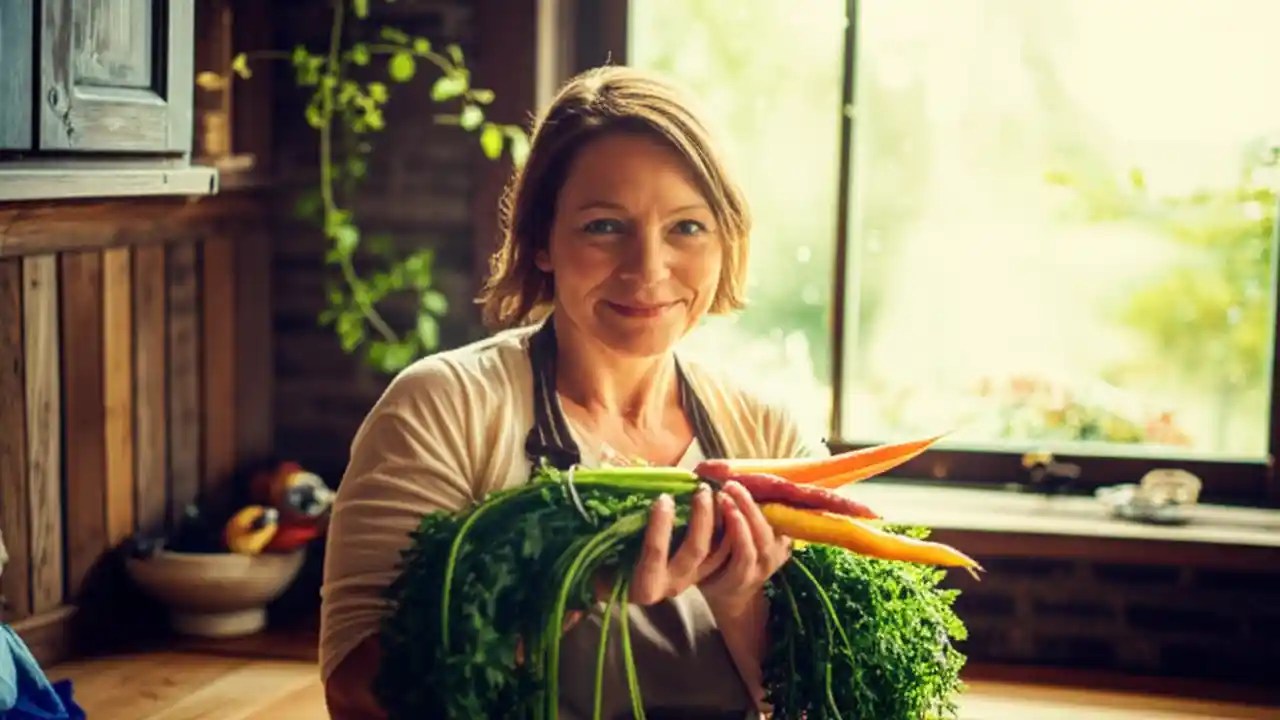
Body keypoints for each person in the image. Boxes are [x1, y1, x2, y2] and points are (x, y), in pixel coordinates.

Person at [319, 64, 824, 720]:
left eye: (687, 227)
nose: (648, 267)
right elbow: (359, 695)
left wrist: (740, 604)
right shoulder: (444, 409)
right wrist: (580, 583)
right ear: (540, 242)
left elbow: (838, 703)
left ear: (726, 240)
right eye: (603, 226)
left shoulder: (771, 433)